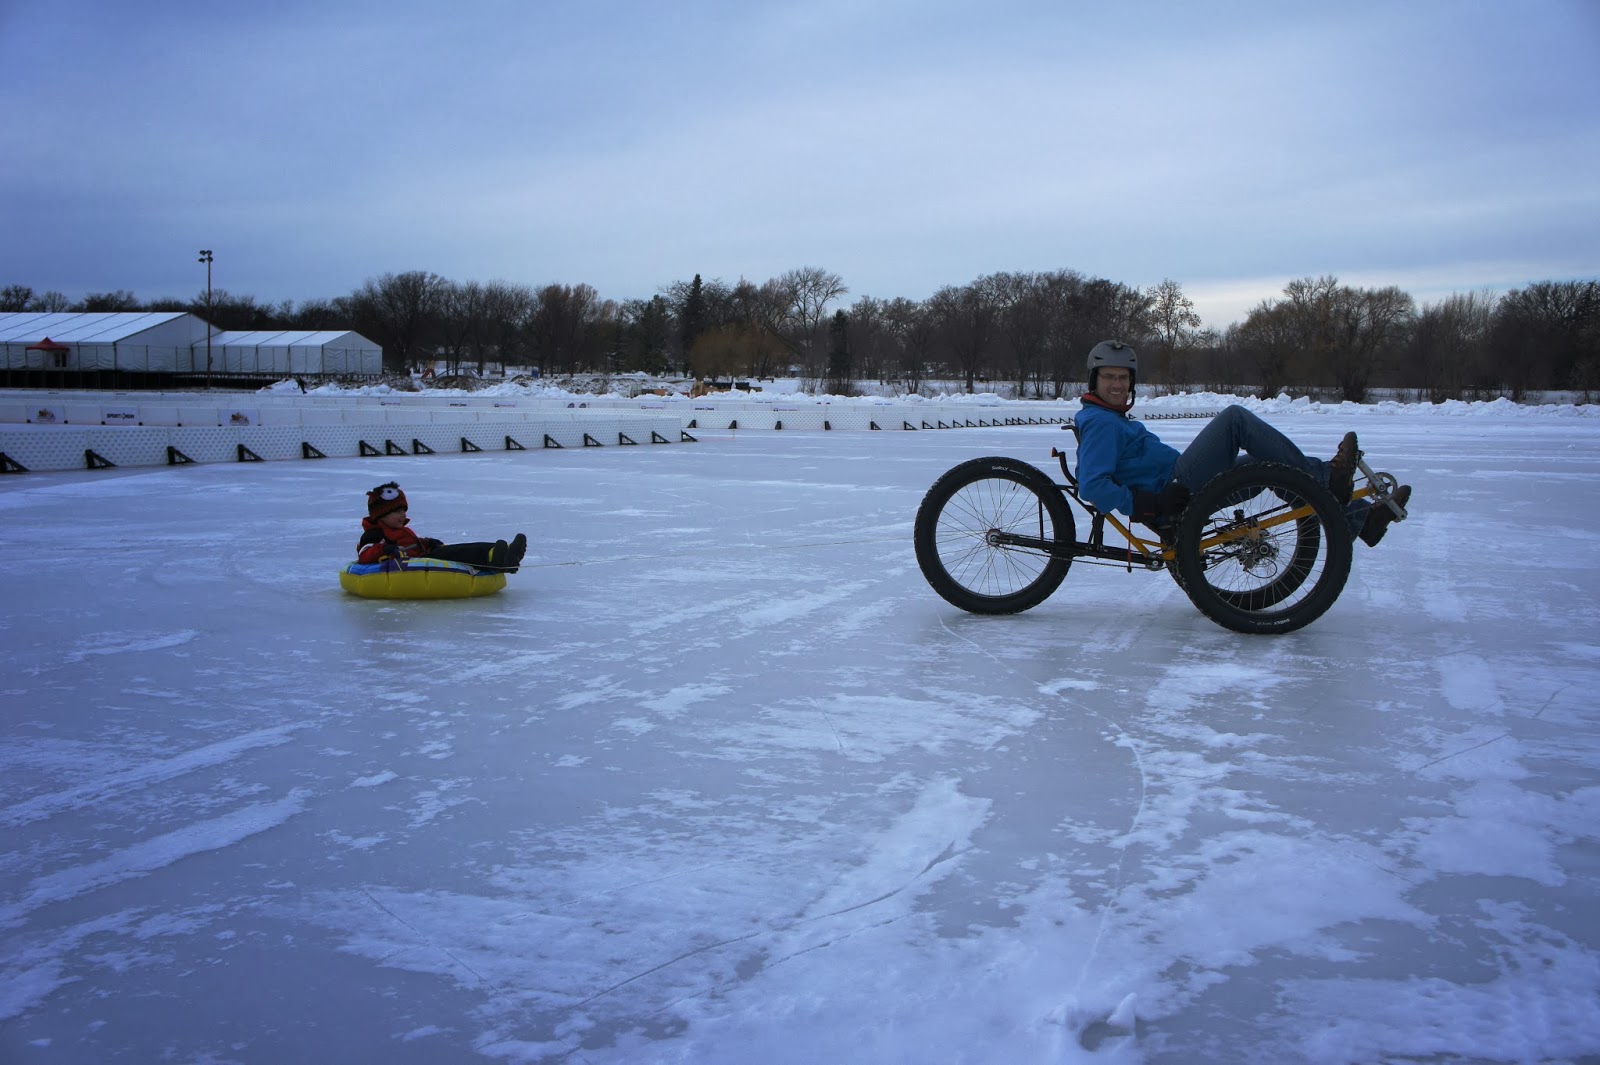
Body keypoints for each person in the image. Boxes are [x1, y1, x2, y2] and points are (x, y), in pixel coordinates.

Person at [1073, 341, 1412, 547]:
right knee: (1235, 419)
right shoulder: (1101, 423)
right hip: (1174, 491)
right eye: (1109, 377)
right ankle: (1328, 479)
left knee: (1269, 469)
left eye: (1123, 378)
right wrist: (1145, 503)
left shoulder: (1111, 419)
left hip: (1176, 488)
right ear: (1094, 380)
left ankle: (1362, 519)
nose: (1117, 385)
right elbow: (1092, 485)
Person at [357, 482, 527, 571]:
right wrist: (386, 549)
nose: (403, 515)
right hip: (416, 564)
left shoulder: (402, 530)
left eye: (403, 510)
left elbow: (414, 545)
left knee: (460, 550)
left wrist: (428, 542)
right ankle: (494, 557)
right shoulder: (374, 534)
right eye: (396, 511)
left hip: (425, 557)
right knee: (457, 555)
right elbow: (365, 555)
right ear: (380, 515)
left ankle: (504, 554)